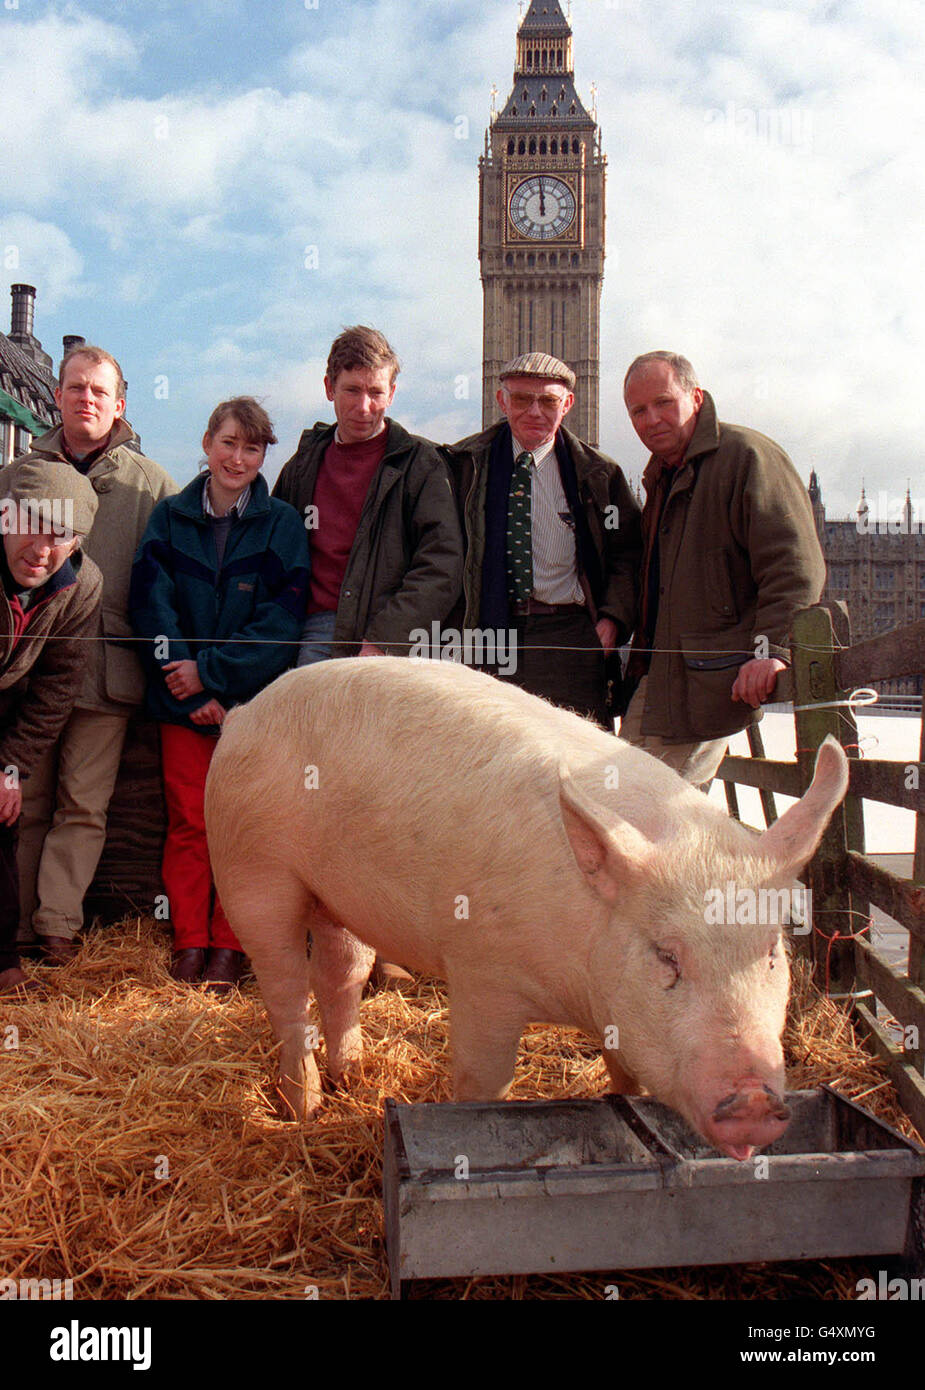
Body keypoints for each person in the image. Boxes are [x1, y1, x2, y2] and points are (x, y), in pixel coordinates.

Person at [0, 345, 176, 962]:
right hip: (32, 669)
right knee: (25, 798)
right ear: (58, 396)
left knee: (85, 805)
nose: (86, 399)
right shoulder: (21, 471)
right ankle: (12, 928)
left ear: (119, 404)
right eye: (76, 387)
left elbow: (171, 576)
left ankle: (56, 928)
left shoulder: (151, 482)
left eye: (100, 391)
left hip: (110, 670)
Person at [130, 397, 309, 993]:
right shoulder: (169, 517)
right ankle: (189, 942)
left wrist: (212, 675)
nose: (238, 457)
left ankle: (231, 947)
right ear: (207, 443)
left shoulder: (282, 524)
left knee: (245, 830)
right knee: (188, 825)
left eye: (252, 448)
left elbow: (280, 623)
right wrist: (184, 685)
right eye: (228, 443)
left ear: (263, 456)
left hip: (250, 711)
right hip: (180, 706)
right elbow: (148, 606)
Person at [620, 351, 826, 784]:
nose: (651, 419)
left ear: (695, 397)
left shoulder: (746, 456)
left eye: (663, 403)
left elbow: (794, 566)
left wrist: (772, 649)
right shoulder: (661, 476)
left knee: (646, 817)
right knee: (627, 806)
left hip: (709, 681)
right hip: (660, 679)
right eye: (638, 410)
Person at [445, 352, 641, 727]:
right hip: (488, 632)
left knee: (579, 761)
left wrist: (613, 620)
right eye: (521, 399)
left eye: (548, 400)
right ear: (501, 401)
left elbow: (627, 556)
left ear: (567, 404)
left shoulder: (600, 475)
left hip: (569, 638)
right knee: (490, 758)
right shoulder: (462, 465)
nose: (534, 411)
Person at [271, 326, 463, 665]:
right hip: (313, 633)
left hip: (393, 638)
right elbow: (270, 559)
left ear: (392, 393)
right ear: (329, 388)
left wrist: (384, 639)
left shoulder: (422, 464)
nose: (364, 407)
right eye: (352, 390)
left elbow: (442, 564)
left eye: (375, 392)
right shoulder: (300, 466)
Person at [0, 460, 102, 993]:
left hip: (11, 700)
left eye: (60, 534)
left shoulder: (82, 586)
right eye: (31, 523)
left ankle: (3, 961)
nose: (42, 547)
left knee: (3, 817)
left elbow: (57, 688)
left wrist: (8, 767)